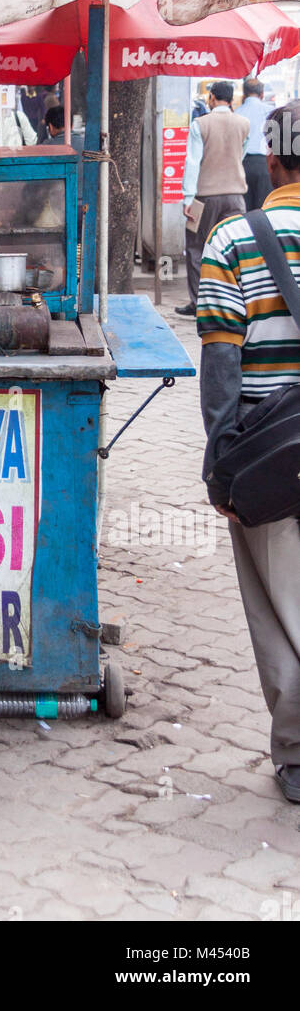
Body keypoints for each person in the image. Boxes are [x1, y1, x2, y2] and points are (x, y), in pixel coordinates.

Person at [197, 99, 300, 803]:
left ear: (274, 159)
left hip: (271, 453)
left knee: (282, 608)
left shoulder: (235, 238)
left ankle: (297, 754)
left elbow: (222, 364)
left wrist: (220, 459)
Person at [175, 80, 249, 317]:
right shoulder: (244, 124)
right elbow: (242, 154)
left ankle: (198, 303)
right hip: (236, 196)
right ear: (230, 99)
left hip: (203, 197)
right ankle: (235, 302)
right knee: (236, 249)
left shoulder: (201, 124)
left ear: (212, 98)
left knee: (197, 249)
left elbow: (193, 161)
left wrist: (187, 196)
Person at [236, 77, 272, 210]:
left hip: (242, 165)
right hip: (265, 165)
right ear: (262, 94)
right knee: (263, 208)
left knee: (245, 209)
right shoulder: (271, 111)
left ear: (244, 94)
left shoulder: (237, 113)